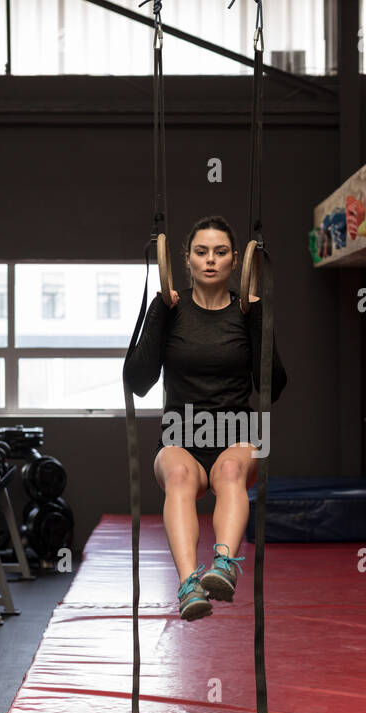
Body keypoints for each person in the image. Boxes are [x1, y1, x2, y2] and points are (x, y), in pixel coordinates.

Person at [124, 215, 287, 620]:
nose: (210, 260)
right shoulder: (171, 309)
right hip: (180, 435)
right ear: (187, 260)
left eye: (220, 252)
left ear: (235, 261)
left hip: (237, 435)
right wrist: (158, 313)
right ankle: (188, 585)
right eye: (201, 252)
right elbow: (138, 382)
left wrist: (257, 319)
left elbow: (273, 387)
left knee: (231, 471)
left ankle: (224, 566)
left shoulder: (246, 312)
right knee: (178, 478)